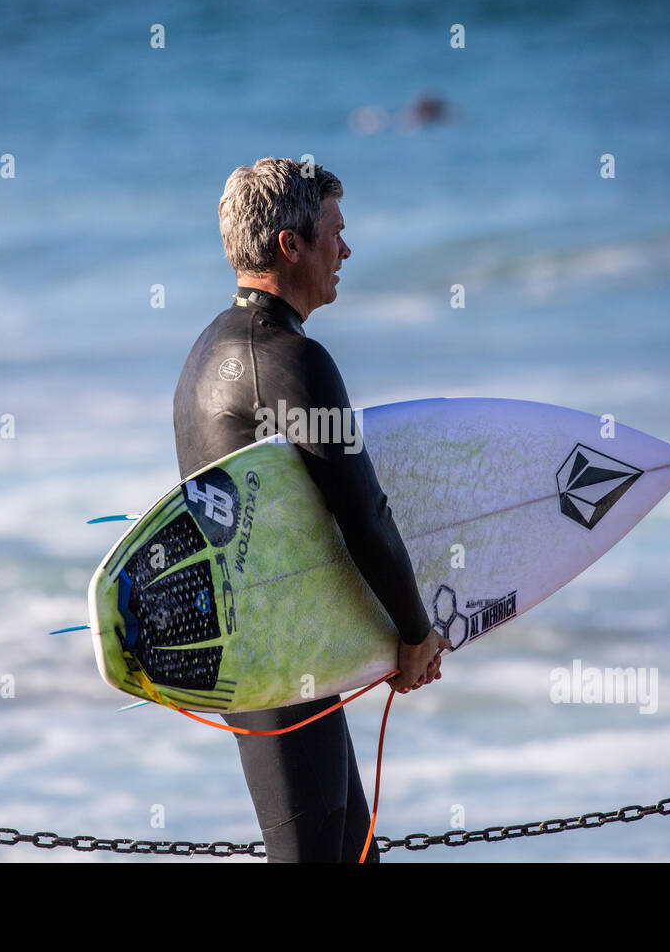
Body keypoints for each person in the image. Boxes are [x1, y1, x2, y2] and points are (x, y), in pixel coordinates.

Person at [172, 158, 449, 862]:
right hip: (277, 661)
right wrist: (415, 632)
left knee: (352, 855)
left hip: (262, 649)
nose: (346, 252)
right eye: (334, 233)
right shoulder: (291, 359)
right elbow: (363, 511)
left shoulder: (210, 349)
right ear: (289, 246)